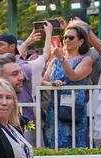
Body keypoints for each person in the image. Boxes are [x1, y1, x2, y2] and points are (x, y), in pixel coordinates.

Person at [38, 20, 93, 148]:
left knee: (75, 144)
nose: (66, 40)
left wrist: (62, 59)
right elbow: (42, 81)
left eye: (71, 37)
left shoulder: (86, 59)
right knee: (53, 143)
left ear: (81, 41)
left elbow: (73, 76)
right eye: (65, 37)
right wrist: (52, 83)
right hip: (55, 107)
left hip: (74, 108)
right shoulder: (55, 61)